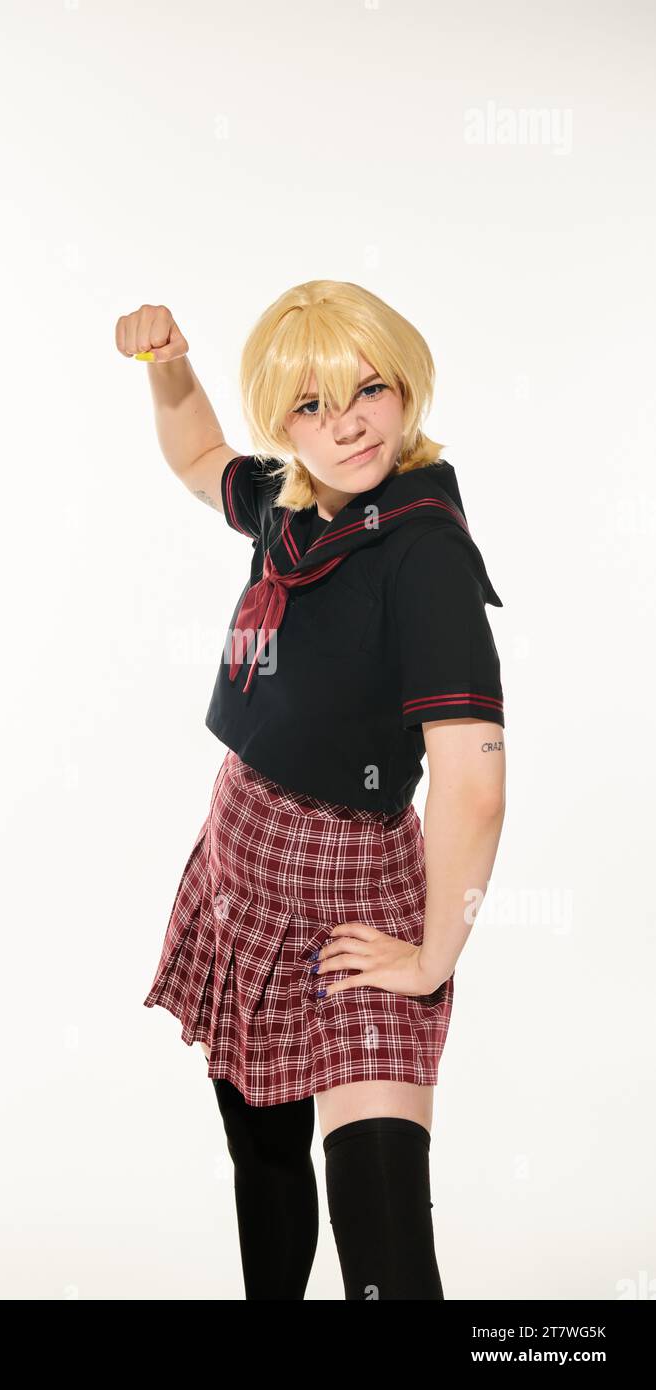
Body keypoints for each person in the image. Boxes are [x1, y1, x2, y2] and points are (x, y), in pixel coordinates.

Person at [119, 280, 507, 1300]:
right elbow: (198, 458)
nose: (345, 425)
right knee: (263, 1158)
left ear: (404, 384)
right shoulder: (294, 502)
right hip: (241, 859)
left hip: (355, 892)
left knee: (379, 1227)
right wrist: (168, 367)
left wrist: (431, 951)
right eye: (309, 406)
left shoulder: (420, 550)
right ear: (282, 423)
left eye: (367, 389)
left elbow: (471, 779)